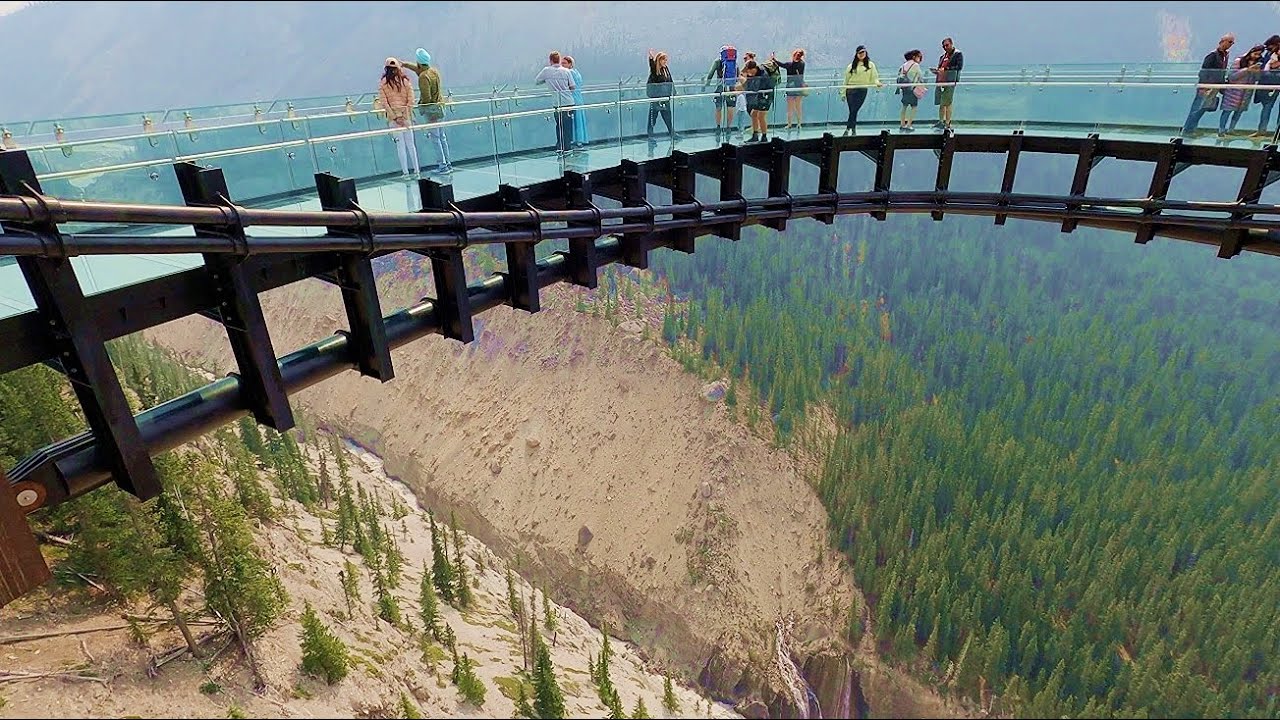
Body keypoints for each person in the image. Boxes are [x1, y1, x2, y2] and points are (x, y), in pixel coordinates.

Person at [401, 48, 451, 173]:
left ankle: (442, 166)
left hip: (432, 112)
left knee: (435, 138)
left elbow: (426, 98)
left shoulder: (423, 77)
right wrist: (405, 64)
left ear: (419, 62)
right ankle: (447, 163)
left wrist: (420, 106)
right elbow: (418, 69)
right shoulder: (434, 71)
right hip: (440, 108)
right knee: (442, 137)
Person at [1181, 33, 1235, 136]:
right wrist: (1203, 87)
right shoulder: (1213, 55)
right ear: (1222, 41)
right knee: (1197, 109)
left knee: (1203, 108)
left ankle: (1192, 129)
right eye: (1229, 42)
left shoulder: (1224, 55)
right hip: (1206, 87)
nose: (1230, 44)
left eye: (1232, 43)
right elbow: (1203, 72)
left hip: (1214, 87)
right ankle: (1187, 130)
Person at [377, 57, 420, 178]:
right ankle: (417, 170)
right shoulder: (405, 81)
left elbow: (384, 103)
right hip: (407, 118)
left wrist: (395, 118)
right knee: (411, 145)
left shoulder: (383, 83)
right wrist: (404, 116)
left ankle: (405, 172)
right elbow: (411, 100)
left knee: (400, 146)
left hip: (393, 120)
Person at [534, 51, 577, 153]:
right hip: (569, 102)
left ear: (550, 60)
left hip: (557, 103)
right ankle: (567, 148)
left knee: (559, 125)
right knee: (567, 126)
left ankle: (560, 147)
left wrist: (547, 80)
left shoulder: (546, 71)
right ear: (559, 59)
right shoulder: (566, 71)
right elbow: (573, 86)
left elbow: (537, 81)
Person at [1220, 45, 1264, 137]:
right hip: (1233, 91)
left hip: (1246, 92)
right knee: (1227, 111)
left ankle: (1231, 129)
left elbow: (1257, 79)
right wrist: (1247, 70)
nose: (1256, 56)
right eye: (1255, 54)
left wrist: (1257, 72)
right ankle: (1221, 130)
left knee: (1239, 112)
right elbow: (1232, 77)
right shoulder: (1238, 61)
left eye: (1259, 54)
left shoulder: (1258, 63)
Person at [843, 46, 881, 136]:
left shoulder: (870, 65)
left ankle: (849, 128)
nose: (862, 54)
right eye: (860, 53)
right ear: (856, 54)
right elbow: (846, 80)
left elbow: (874, 77)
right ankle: (851, 129)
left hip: (862, 89)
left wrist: (877, 83)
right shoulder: (851, 66)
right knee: (852, 110)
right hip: (851, 90)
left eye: (863, 52)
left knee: (855, 109)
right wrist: (843, 93)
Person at [704, 45, 739, 140]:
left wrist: (706, 84)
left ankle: (718, 127)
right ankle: (728, 127)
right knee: (730, 108)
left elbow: (710, 74)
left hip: (720, 88)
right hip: (731, 88)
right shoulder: (734, 62)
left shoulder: (717, 62)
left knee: (718, 108)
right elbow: (737, 75)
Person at [930, 38, 963, 130]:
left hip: (950, 81)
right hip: (941, 81)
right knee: (941, 102)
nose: (945, 47)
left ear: (952, 44)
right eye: (943, 46)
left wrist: (946, 69)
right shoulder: (943, 56)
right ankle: (941, 121)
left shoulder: (957, 54)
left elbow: (958, 67)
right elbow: (940, 68)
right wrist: (937, 71)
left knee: (948, 102)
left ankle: (947, 123)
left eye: (947, 45)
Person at [772, 48, 807, 131]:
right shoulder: (802, 64)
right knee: (798, 107)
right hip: (799, 87)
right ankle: (799, 124)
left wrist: (773, 59)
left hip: (790, 87)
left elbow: (780, 64)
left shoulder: (789, 65)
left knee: (790, 107)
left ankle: (789, 124)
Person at [1252, 34, 1280, 137]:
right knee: (1267, 106)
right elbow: (1265, 67)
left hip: (1274, 83)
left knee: (1268, 107)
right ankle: (1262, 130)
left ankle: (1276, 132)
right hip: (1269, 84)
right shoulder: (1269, 54)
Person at [646, 49, 675, 144]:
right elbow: (652, 66)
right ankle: (650, 136)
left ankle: (672, 133)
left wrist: (673, 91)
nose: (665, 62)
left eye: (666, 60)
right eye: (663, 60)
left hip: (665, 99)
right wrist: (651, 58)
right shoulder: (656, 71)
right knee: (652, 119)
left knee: (668, 118)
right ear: (659, 60)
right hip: (656, 99)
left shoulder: (666, 69)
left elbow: (670, 81)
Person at [744, 60, 775, 143]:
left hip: (767, 96)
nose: (750, 73)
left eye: (750, 71)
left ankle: (764, 137)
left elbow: (756, 88)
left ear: (754, 69)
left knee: (761, 116)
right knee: (753, 114)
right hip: (760, 95)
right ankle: (755, 135)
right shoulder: (756, 73)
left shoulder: (763, 75)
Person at [561, 55, 589, 147]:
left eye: (564, 63)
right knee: (579, 119)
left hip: (573, 98)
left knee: (574, 120)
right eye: (562, 63)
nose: (562, 65)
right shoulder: (576, 72)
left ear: (570, 64)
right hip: (579, 98)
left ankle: (575, 140)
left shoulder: (569, 72)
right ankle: (579, 139)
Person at [897, 49, 926, 132]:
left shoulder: (903, 65)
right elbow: (920, 76)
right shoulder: (915, 65)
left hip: (904, 88)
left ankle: (902, 124)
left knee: (904, 106)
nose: (920, 59)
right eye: (919, 57)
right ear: (914, 57)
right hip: (912, 88)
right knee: (914, 107)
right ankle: (909, 125)